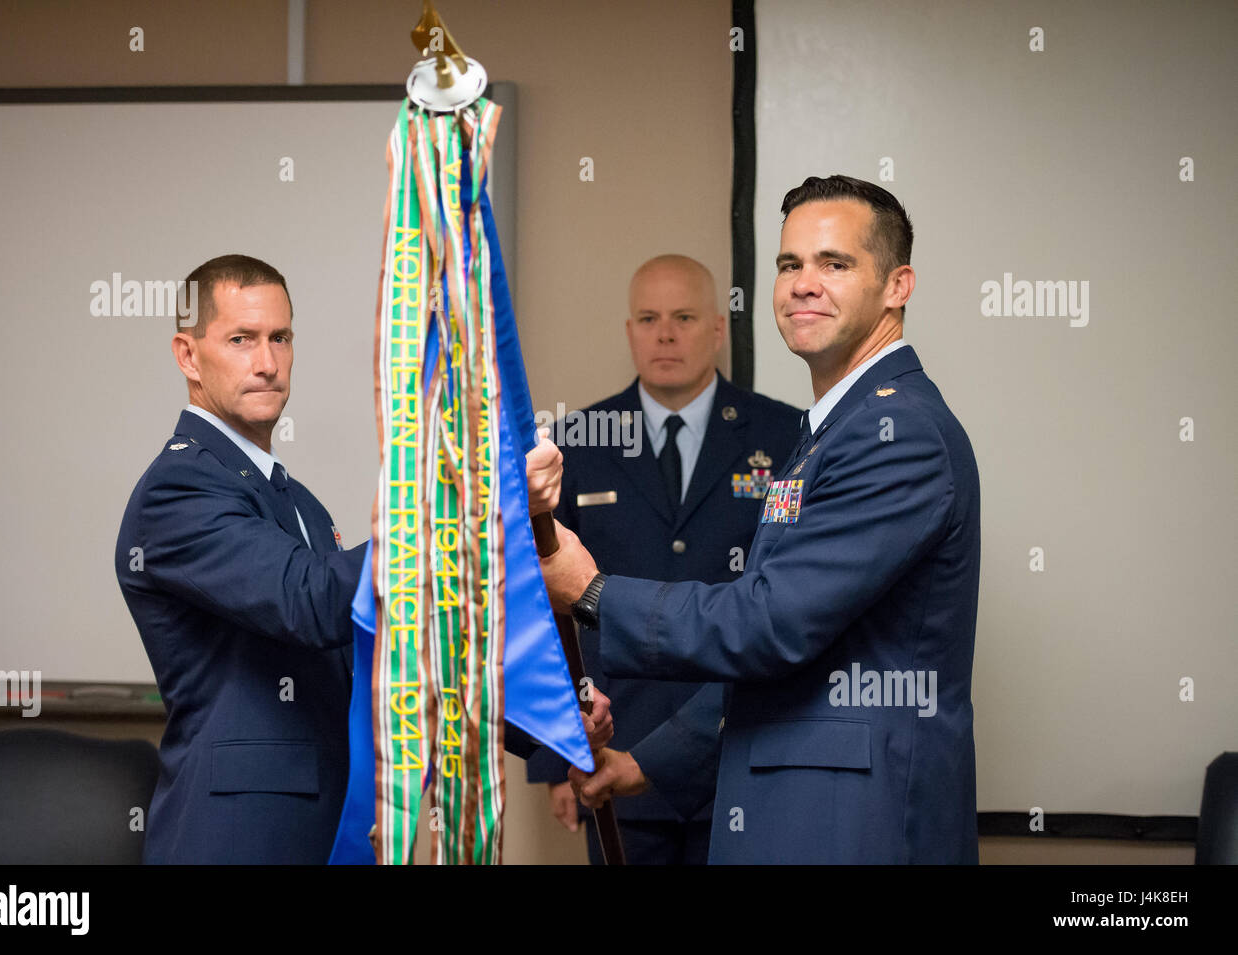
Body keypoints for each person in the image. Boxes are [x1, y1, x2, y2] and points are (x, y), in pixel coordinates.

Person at [540, 176, 981, 864]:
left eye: (834, 264)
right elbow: (784, 652)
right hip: (790, 807)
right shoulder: (836, 428)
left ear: (898, 285)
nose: (804, 283)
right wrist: (645, 763)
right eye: (789, 264)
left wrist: (593, 592)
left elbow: (769, 623)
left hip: (851, 824)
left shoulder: (896, 433)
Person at [115, 254, 607, 864]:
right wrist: (484, 501)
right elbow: (312, 602)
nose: (266, 363)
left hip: (328, 828)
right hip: (240, 837)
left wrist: (546, 721)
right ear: (188, 355)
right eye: (240, 340)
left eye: (280, 338)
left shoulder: (300, 506)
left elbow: (377, 655)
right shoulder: (180, 490)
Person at [525, 255, 803, 865]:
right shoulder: (575, 441)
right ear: (629, 332)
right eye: (649, 318)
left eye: (683, 316)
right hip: (616, 749)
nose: (666, 334)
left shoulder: (786, 435)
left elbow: (792, 600)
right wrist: (554, 755)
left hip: (743, 747)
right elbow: (540, 601)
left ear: (717, 329)